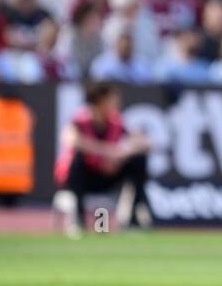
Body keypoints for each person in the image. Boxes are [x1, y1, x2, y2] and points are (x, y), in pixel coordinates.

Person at [53, 81, 153, 238]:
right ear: (100, 100)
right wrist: (106, 152)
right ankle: (78, 221)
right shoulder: (80, 121)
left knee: (138, 161)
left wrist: (121, 154)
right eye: (113, 98)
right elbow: (70, 140)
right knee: (78, 161)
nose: (117, 102)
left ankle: (133, 219)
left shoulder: (116, 122)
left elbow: (145, 143)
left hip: (106, 176)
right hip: (81, 179)